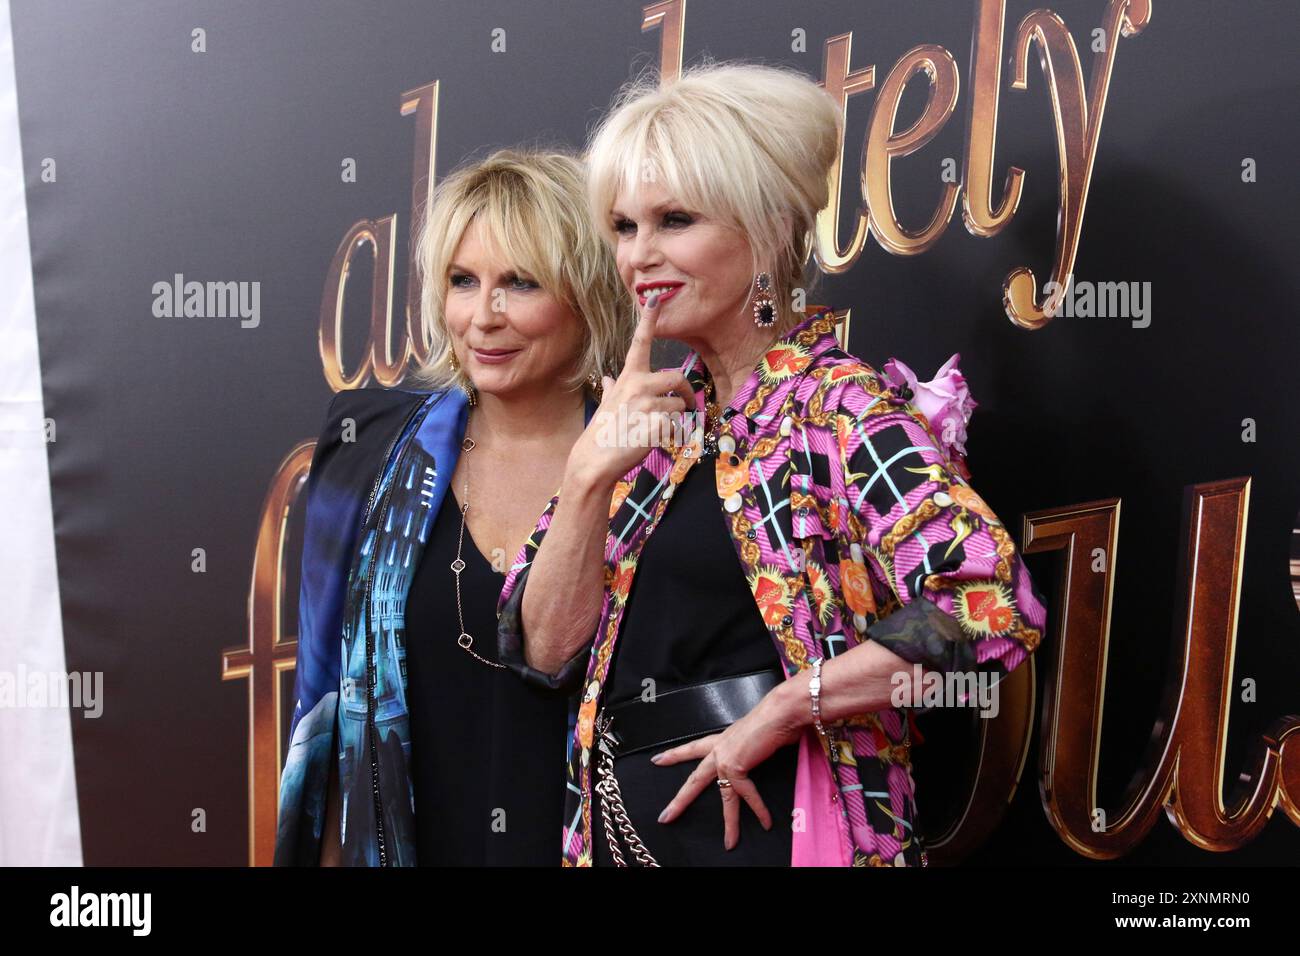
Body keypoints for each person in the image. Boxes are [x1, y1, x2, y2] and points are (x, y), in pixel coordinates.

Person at [496, 63, 1048, 866]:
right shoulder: (647, 418)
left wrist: (787, 707)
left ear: (771, 228)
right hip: (620, 830)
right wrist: (587, 476)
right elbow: (542, 653)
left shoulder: (835, 406)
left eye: (675, 220)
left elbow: (987, 604)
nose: (639, 257)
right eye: (622, 227)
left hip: (776, 829)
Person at [273, 147, 633, 865]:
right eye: (462, 282)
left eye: (520, 283)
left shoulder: (651, 464)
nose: (482, 317)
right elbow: (317, 704)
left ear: (588, 293)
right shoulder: (370, 446)